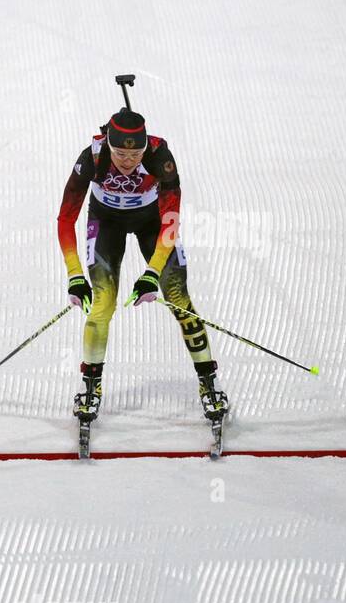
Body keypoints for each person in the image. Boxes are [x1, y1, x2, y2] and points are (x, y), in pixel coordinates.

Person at [57, 107, 228, 422]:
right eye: (120, 153)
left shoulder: (160, 156)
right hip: (106, 221)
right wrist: (74, 275)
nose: (127, 161)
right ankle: (90, 387)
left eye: (134, 154)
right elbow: (66, 217)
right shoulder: (92, 158)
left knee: (178, 298)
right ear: (108, 144)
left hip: (153, 224)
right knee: (102, 303)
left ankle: (209, 381)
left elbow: (171, 219)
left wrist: (151, 273)